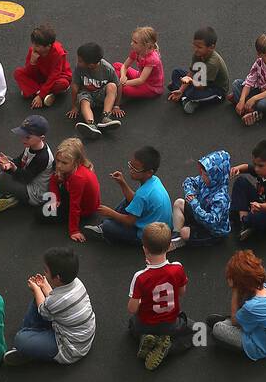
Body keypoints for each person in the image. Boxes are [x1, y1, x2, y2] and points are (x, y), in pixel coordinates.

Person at [5, 248, 96, 366]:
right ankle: (34, 338)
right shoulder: (76, 283)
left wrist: (36, 288)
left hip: (69, 348)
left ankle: (28, 347)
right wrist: (44, 285)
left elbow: (43, 308)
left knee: (20, 340)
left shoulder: (57, 300)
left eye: (46, 271)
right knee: (42, 299)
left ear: (57, 278)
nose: (44, 273)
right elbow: (55, 301)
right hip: (82, 336)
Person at [127, 222, 192, 370]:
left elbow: (132, 309)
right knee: (197, 331)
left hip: (145, 323)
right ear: (169, 246)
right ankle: (167, 346)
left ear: (144, 249)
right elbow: (182, 293)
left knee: (132, 324)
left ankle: (146, 339)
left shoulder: (140, 277)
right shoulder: (177, 268)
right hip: (171, 323)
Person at [86, 146, 172, 245]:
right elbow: (135, 200)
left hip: (149, 237)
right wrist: (122, 183)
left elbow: (130, 221)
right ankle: (108, 224)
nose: (131, 170)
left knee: (108, 226)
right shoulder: (154, 181)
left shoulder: (143, 194)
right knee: (127, 201)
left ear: (149, 172)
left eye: (135, 169)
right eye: (130, 165)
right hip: (162, 229)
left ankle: (105, 229)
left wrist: (111, 213)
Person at [209, 251, 266, 358]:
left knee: (217, 329)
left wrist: (235, 289)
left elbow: (235, 321)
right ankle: (229, 321)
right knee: (218, 321)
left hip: (259, 347)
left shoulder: (252, 306)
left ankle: (228, 329)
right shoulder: (265, 287)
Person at [0, 115, 55, 213]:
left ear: (41, 138)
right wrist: (10, 164)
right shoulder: (31, 145)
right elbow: (20, 160)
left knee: (1, 179)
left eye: (27, 137)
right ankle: (16, 196)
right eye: (22, 135)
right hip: (28, 178)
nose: (23, 139)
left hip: (35, 194)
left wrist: (12, 169)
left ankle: (16, 197)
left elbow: (26, 178)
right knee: (6, 161)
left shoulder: (42, 157)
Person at [42, 138, 101, 240]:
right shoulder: (75, 167)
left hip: (85, 209)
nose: (59, 165)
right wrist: (55, 198)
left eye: (64, 163)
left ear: (76, 161)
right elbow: (53, 179)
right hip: (78, 196)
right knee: (49, 201)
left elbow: (75, 206)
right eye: (58, 161)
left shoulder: (77, 178)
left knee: (41, 214)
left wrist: (74, 231)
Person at [172, 150, 232, 246]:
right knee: (178, 203)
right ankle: (176, 235)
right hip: (200, 212)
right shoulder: (206, 181)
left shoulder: (221, 199)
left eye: (205, 174)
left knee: (185, 232)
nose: (201, 176)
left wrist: (194, 204)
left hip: (213, 231)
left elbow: (212, 222)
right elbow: (188, 181)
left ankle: (182, 238)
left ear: (215, 176)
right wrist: (190, 194)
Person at [167, 25, 231, 114]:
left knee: (193, 93)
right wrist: (181, 90)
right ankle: (183, 95)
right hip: (199, 79)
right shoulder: (197, 54)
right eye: (194, 46)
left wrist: (189, 81)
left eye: (199, 47)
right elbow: (192, 72)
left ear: (211, 47)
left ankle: (188, 98)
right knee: (176, 72)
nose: (196, 49)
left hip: (215, 88)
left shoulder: (213, 63)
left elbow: (201, 86)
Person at [67, 42, 121, 137]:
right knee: (84, 101)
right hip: (87, 94)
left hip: (101, 95)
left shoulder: (107, 69)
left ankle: (106, 116)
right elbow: (74, 86)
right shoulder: (78, 68)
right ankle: (91, 124)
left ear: (91, 65)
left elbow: (118, 85)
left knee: (112, 86)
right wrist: (75, 106)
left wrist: (116, 106)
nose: (77, 62)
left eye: (80, 61)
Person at [13, 23, 72, 108]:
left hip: (58, 77)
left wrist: (40, 95)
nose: (33, 47)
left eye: (37, 46)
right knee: (18, 72)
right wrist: (32, 63)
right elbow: (29, 72)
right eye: (33, 44)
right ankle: (47, 93)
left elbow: (54, 75)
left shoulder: (58, 53)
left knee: (63, 83)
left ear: (48, 46)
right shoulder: (33, 50)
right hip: (42, 75)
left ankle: (34, 91)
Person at [114, 26, 165, 100]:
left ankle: (117, 84)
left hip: (150, 87)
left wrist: (123, 83)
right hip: (139, 75)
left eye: (135, 42)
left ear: (146, 45)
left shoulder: (152, 59)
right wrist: (123, 76)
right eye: (132, 41)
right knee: (117, 65)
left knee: (125, 89)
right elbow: (125, 66)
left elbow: (141, 80)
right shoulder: (136, 51)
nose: (131, 44)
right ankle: (117, 83)